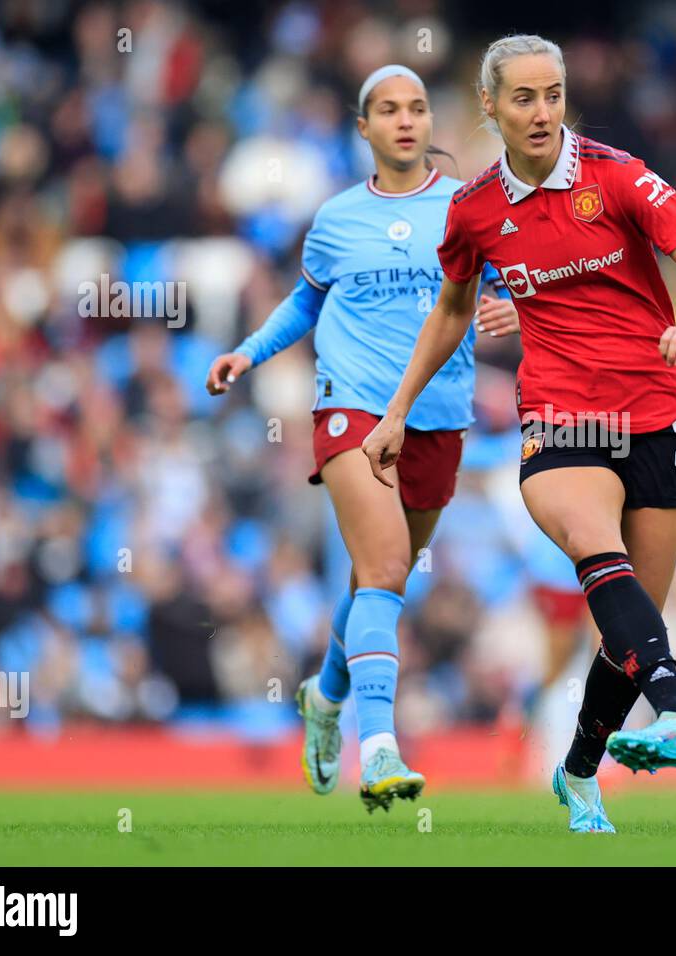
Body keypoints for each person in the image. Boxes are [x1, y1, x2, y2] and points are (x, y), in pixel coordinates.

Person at [360, 35, 676, 833]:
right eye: (523, 97)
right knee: (594, 544)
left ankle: (577, 769)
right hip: (563, 416)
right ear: (489, 105)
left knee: (627, 628)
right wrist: (396, 411)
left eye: (553, 94)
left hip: (661, 412)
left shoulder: (620, 176)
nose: (541, 112)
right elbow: (453, 311)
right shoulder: (475, 211)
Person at [204, 65, 519, 812]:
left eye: (416, 108)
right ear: (364, 128)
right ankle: (376, 748)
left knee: (379, 580)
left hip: (439, 417)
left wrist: (511, 310)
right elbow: (305, 301)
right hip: (350, 411)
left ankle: (326, 694)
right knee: (380, 567)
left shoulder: (468, 210)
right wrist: (248, 351)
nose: (406, 120)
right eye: (388, 109)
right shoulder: (336, 218)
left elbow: (513, 287)